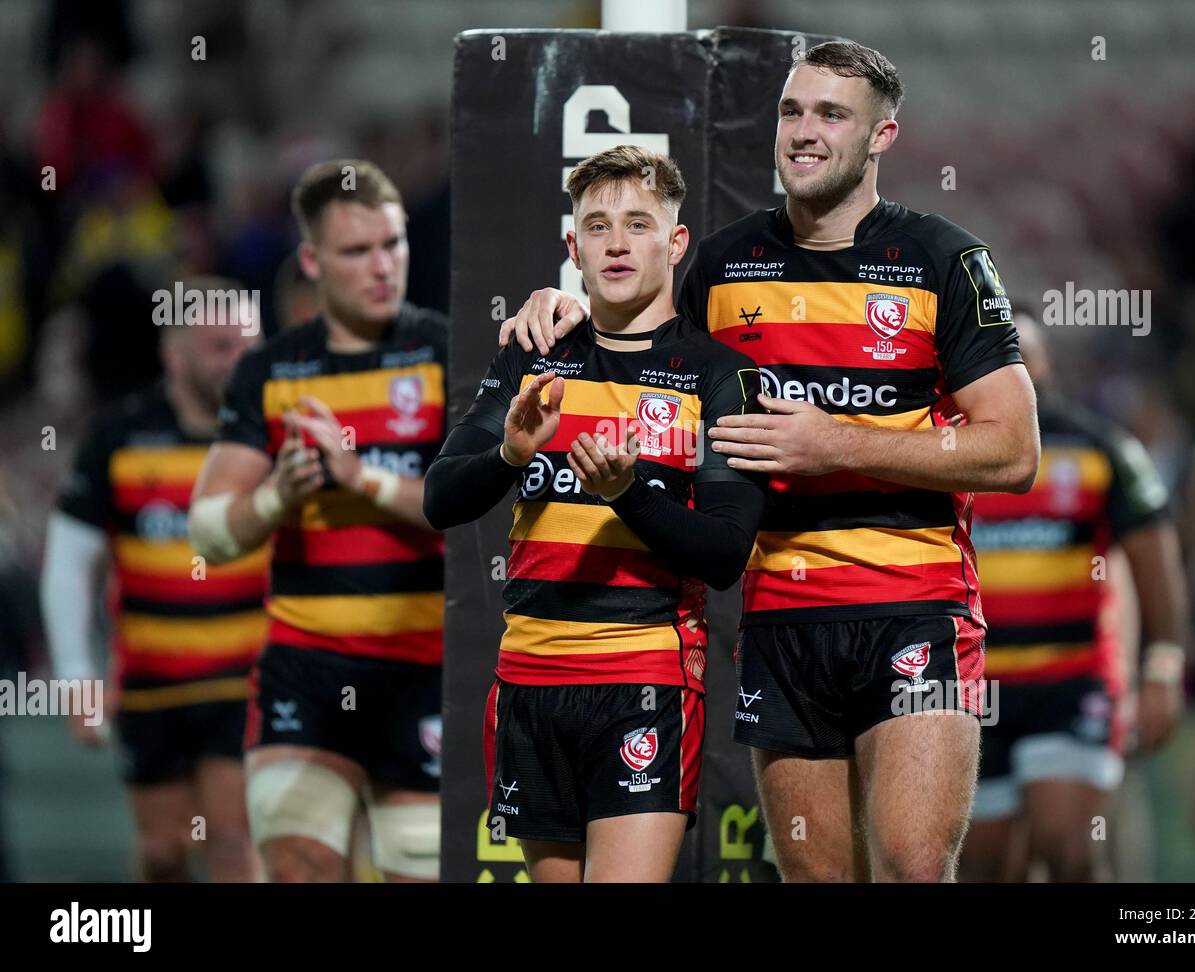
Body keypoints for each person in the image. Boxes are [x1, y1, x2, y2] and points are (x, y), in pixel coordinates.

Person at [499, 41, 1039, 882]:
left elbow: (1012, 451)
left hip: (916, 606)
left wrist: (836, 443)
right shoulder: (720, 264)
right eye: (792, 110)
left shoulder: (945, 260)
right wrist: (558, 297)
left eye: (832, 114)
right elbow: (627, 320)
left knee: (913, 864)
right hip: (779, 617)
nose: (804, 131)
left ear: (882, 136)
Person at [426, 145, 765, 882]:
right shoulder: (533, 353)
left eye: (639, 223)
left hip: (646, 681)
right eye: (598, 225)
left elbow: (726, 552)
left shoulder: (716, 376)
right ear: (571, 247)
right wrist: (510, 457)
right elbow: (441, 497)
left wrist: (629, 495)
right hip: (530, 681)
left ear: (675, 242)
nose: (617, 241)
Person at [189, 160, 448, 883]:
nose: (382, 267)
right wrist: (276, 495)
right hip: (306, 666)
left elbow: (476, 513)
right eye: (357, 251)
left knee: (418, 871)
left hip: (424, 670)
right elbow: (209, 531)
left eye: (392, 245)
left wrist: (358, 475)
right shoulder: (269, 372)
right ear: (313, 261)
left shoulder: (445, 353)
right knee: (299, 869)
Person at [42, 283, 263, 881]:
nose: (240, 363)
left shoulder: (273, 432)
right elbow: (68, 561)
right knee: (164, 852)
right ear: (174, 354)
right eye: (220, 347)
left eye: (250, 346)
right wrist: (76, 677)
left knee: (232, 839)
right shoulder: (119, 435)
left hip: (244, 681)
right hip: (150, 685)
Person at [958, 313, 1189, 882]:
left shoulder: (1100, 448)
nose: (1008, 368)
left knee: (1067, 850)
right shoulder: (947, 451)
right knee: (984, 869)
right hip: (972, 691)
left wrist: (1162, 664)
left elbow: (1155, 557)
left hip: (1071, 684)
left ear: (1044, 363)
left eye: (1019, 355)